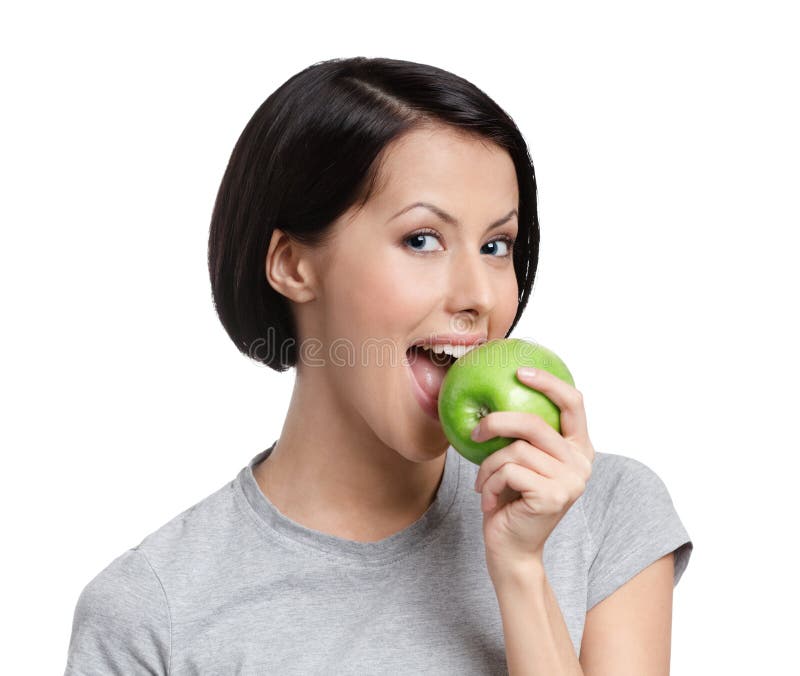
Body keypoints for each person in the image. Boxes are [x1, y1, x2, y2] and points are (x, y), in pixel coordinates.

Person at [63, 56, 693, 675]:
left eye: (497, 245)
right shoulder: (153, 613)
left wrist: (523, 571)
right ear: (292, 265)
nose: (479, 294)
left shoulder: (603, 513)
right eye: (422, 239)